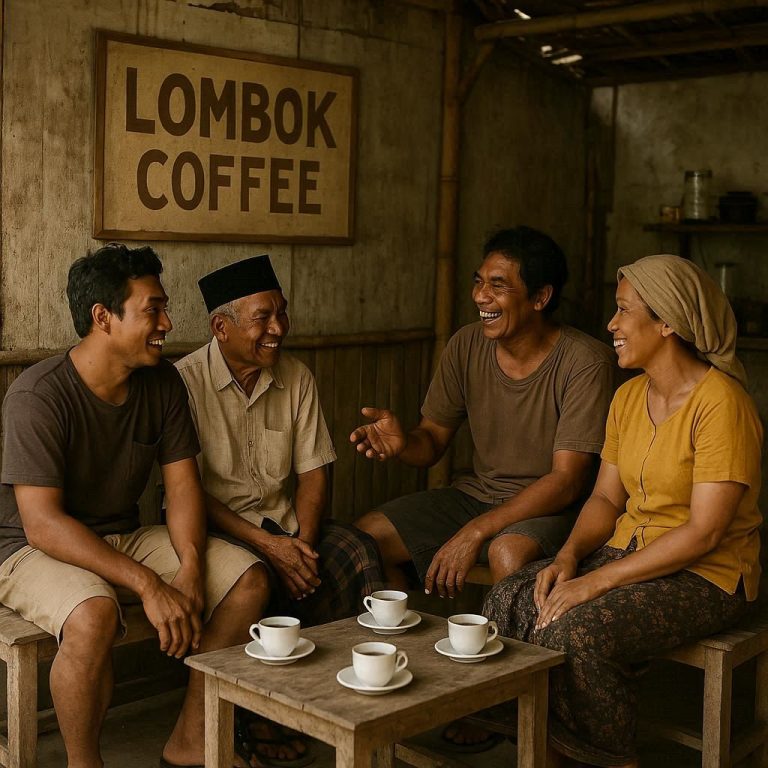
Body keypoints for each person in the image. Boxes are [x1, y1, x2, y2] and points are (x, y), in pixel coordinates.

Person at [484, 254, 763, 768]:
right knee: (509, 599)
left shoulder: (722, 404)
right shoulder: (628, 397)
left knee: (577, 630)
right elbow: (607, 499)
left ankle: (609, 760)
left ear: (668, 322)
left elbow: (704, 533)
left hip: (708, 575)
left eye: (624, 310)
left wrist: (597, 582)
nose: (611, 324)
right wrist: (568, 557)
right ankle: (545, 753)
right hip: (627, 553)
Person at [0, 243, 264, 768]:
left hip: (122, 536)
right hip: (28, 550)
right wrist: (149, 584)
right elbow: (43, 525)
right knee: (93, 613)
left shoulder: (162, 382)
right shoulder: (38, 395)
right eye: (153, 309)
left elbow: (183, 487)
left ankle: (189, 740)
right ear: (103, 317)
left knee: (248, 580)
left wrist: (190, 568)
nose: (167, 323)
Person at [175, 254, 385, 767]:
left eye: (282, 313)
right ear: (220, 327)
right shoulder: (182, 384)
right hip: (215, 530)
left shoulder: (297, 377)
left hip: (287, 529)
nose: (278, 328)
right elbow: (187, 493)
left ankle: (339, 705)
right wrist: (272, 548)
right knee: (256, 575)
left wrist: (302, 546)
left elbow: (314, 473)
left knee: (357, 553)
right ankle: (248, 717)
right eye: (263, 318)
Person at [351, 226, 615, 598]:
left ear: (540, 297)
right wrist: (404, 443)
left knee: (506, 551)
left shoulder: (585, 362)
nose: (480, 296)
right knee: (364, 540)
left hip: (555, 509)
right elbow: (431, 442)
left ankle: (518, 640)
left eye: (498, 285)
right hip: (477, 497)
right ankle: (405, 632)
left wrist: (476, 531)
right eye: (479, 282)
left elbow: (566, 481)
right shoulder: (466, 343)